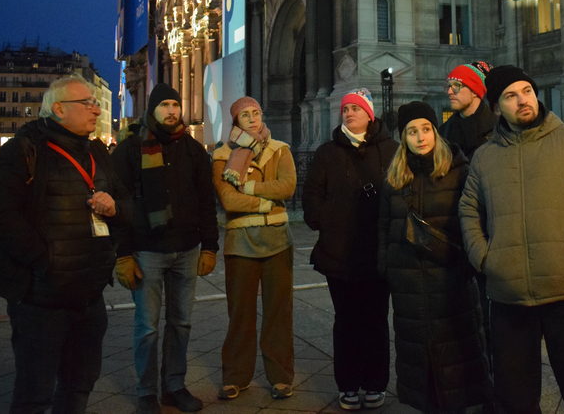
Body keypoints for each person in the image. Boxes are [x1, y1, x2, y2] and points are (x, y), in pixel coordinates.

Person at [458, 65, 564, 413]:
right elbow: (469, 210)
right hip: (508, 296)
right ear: (498, 107)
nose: (522, 101)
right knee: (515, 400)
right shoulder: (485, 156)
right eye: (511, 96)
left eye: (526, 91)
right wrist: (485, 258)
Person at [0, 75, 126, 413]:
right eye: (86, 102)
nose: (95, 108)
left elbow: (126, 205)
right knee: (35, 391)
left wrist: (115, 208)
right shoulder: (24, 150)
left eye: (95, 101)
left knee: (80, 384)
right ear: (58, 109)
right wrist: (46, 262)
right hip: (40, 298)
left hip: (89, 295)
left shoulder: (99, 152)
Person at [112, 83, 219, 414]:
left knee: (181, 322)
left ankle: (174, 385)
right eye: (165, 105)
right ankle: (147, 391)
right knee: (147, 326)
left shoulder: (193, 150)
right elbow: (121, 205)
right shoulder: (130, 150)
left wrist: (210, 247)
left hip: (187, 249)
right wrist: (124, 254)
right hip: (148, 251)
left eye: (176, 104)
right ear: (152, 110)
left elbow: (206, 201)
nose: (172, 110)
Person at [378, 101, 492, 413]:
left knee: (456, 353)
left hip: (449, 279)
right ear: (404, 138)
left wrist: (467, 262)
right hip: (408, 283)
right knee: (419, 358)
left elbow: (473, 222)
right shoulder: (395, 178)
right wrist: (387, 267)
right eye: (412, 132)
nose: (420, 137)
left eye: (426, 129)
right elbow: (385, 226)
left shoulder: (458, 170)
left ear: (435, 132)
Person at [303, 88, 396, 411]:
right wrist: (326, 222)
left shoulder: (391, 150)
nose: (349, 113)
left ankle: (375, 382)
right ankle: (348, 384)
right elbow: (311, 195)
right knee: (346, 321)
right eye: (345, 109)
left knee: (375, 320)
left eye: (356, 108)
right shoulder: (327, 153)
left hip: (377, 254)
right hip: (338, 253)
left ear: (369, 115)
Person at [211, 97, 297, 401]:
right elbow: (228, 200)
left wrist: (247, 188)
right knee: (240, 315)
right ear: (235, 121)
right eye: (245, 115)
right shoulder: (223, 154)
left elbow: (287, 187)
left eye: (256, 113)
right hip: (240, 243)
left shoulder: (280, 149)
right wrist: (265, 203)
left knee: (278, 313)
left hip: (277, 242)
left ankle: (281, 377)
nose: (252, 119)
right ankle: (235, 376)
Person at [440, 61, 495, 161]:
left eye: (456, 86)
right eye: (449, 86)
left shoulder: (498, 129)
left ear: (474, 91)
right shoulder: (443, 132)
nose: (449, 92)